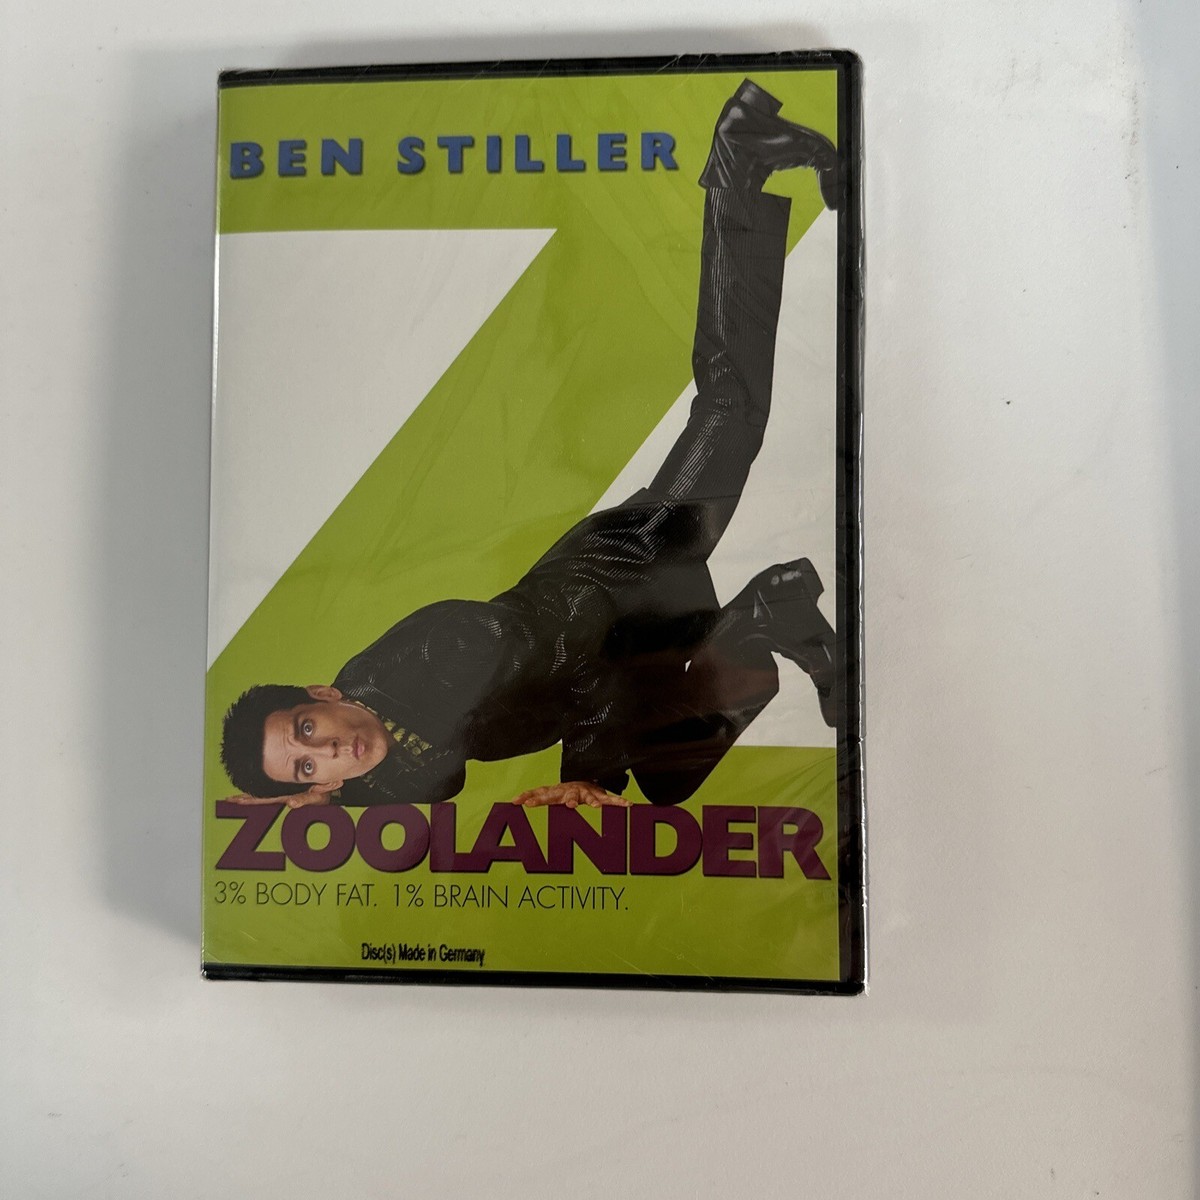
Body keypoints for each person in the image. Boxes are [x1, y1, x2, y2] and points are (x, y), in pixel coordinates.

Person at [220, 78, 842, 814]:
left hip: (622, 575)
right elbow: (437, 781)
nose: (328, 751)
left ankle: (738, 161)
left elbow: (574, 636)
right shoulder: (382, 746)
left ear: (322, 695)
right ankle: (773, 613)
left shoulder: (443, 653)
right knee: (669, 778)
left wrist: (588, 767)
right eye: (306, 767)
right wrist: (335, 800)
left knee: (730, 407)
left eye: (306, 729)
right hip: (627, 638)